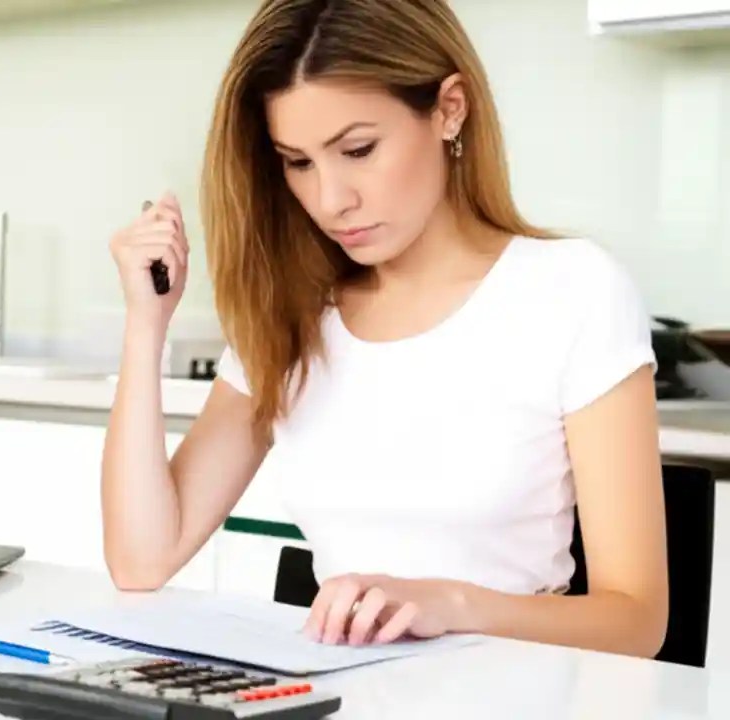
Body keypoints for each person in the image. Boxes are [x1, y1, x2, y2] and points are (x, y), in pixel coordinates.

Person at [100, 0, 668, 659]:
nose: (330, 199)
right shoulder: (293, 314)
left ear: (449, 108)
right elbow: (142, 560)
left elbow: (635, 623)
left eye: (358, 150)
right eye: (298, 162)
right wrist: (146, 324)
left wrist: (449, 604)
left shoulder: (573, 290)